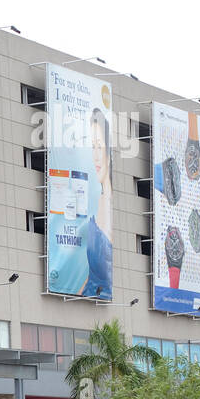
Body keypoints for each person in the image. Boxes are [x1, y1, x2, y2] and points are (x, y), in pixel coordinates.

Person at [81, 108, 114, 298]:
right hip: (86, 300)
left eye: (99, 147)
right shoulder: (98, 203)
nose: (95, 155)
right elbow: (90, 275)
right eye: (92, 147)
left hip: (102, 305)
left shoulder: (111, 210)